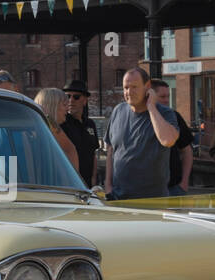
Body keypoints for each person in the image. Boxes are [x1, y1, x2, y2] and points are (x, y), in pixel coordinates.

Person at [103, 66, 181, 200]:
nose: (129, 92)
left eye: (134, 87)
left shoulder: (164, 113)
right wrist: (108, 185)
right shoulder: (118, 111)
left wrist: (151, 106)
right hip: (117, 198)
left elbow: (168, 140)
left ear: (148, 87)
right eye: (126, 88)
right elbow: (111, 150)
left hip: (152, 201)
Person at [149, 79, 194, 195]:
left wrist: (184, 182)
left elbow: (187, 150)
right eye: (162, 97)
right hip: (147, 187)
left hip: (173, 186)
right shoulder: (140, 117)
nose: (166, 100)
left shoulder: (174, 116)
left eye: (168, 96)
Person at [60, 78, 100, 187]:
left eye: (76, 97)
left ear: (85, 100)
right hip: (69, 183)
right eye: (68, 96)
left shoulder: (90, 124)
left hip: (88, 184)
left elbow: (93, 154)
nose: (71, 100)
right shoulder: (62, 123)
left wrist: (93, 179)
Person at [34, 87, 79, 168]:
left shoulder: (43, 129)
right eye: (64, 105)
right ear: (52, 106)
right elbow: (70, 151)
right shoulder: (50, 129)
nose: (67, 109)